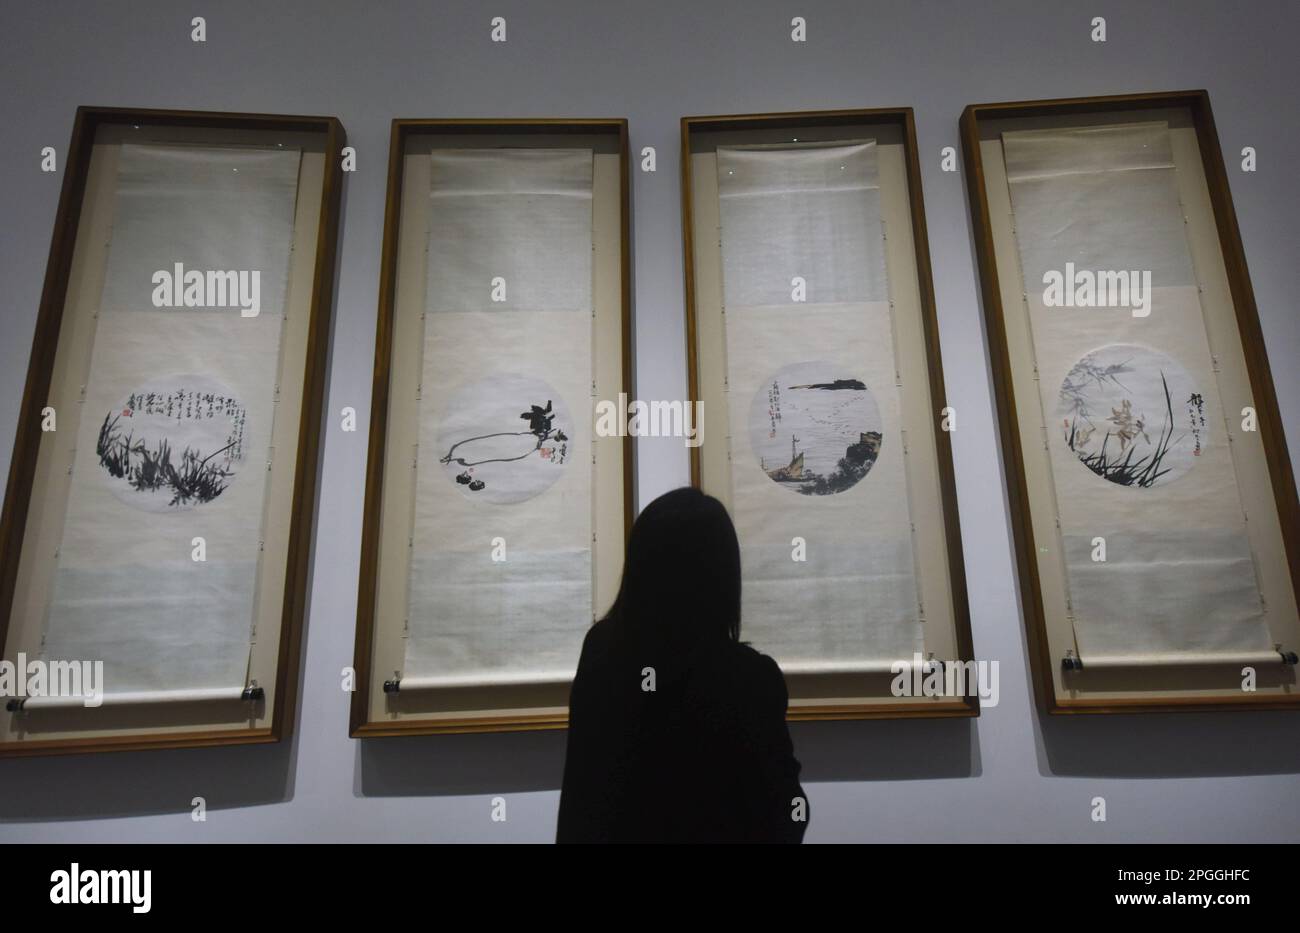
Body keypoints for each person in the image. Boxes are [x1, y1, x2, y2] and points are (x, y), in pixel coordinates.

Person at [557, 487, 807, 843]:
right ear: (721, 576)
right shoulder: (747, 678)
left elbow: (582, 803)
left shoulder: (602, 653)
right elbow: (785, 811)